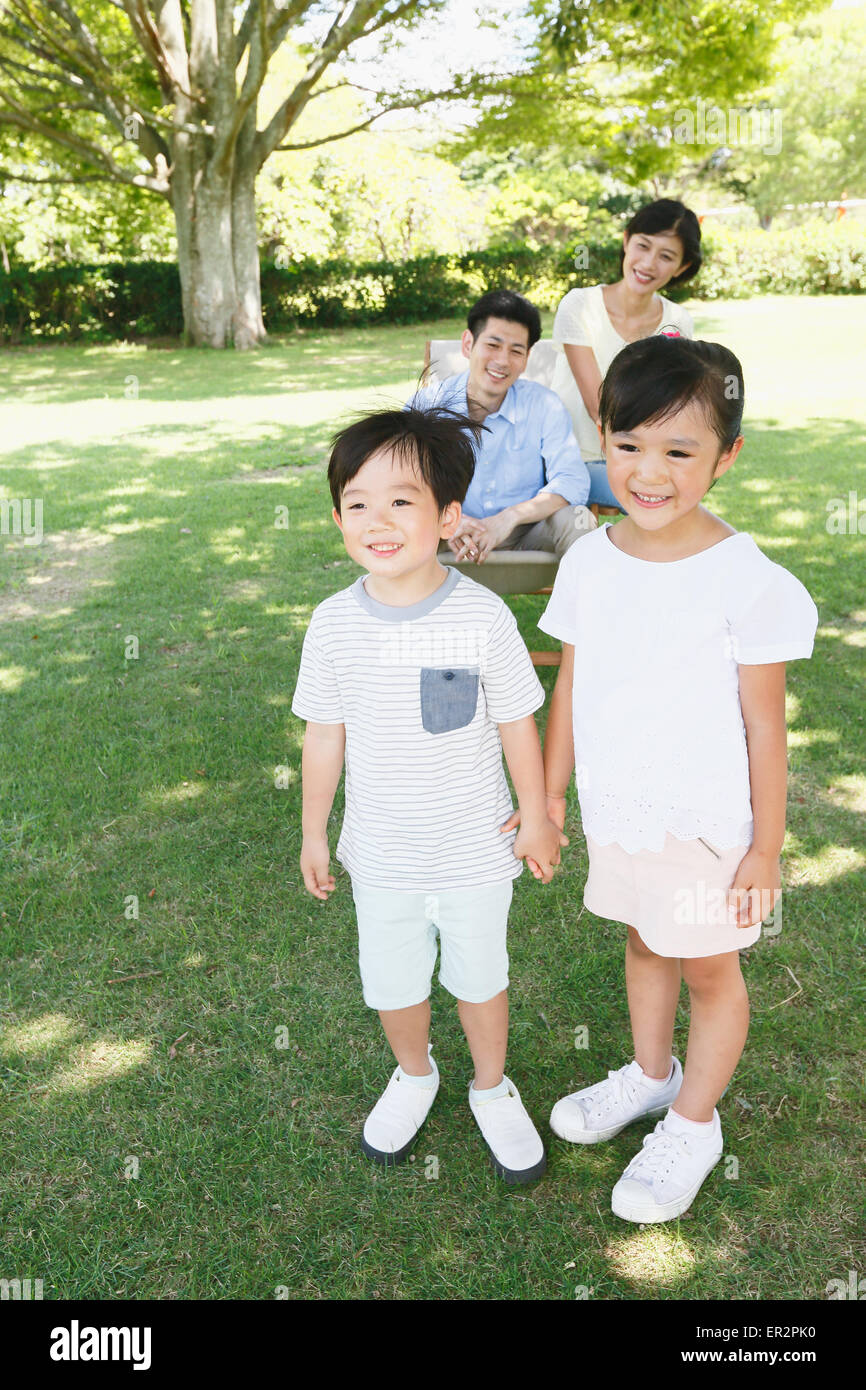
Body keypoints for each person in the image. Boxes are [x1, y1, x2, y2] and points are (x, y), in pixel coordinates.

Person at [535, 336, 818, 1222]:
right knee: (645, 941)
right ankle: (652, 1077)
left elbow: (766, 727)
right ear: (603, 438)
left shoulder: (747, 580)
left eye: (678, 451)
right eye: (627, 445)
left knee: (707, 969)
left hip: (701, 827)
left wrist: (765, 849)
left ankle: (695, 1124)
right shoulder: (587, 560)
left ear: (726, 457)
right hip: (618, 810)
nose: (648, 472)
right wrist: (547, 797)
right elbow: (572, 683)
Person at [291, 406, 567, 1184]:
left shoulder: (481, 616)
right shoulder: (333, 624)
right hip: (381, 853)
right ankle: (415, 1074)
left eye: (401, 501)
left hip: (477, 848)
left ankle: (491, 1084)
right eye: (356, 503)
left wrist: (540, 815)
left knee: (481, 976)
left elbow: (519, 722)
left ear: (448, 517)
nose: (376, 521)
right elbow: (324, 734)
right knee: (394, 981)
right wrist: (316, 833)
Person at [411, 289, 595, 566]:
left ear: (527, 357)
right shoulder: (427, 404)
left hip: (525, 531)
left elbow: (572, 480)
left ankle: (585, 608)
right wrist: (444, 518)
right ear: (467, 343)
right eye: (493, 345)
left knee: (579, 520)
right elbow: (400, 481)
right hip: (446, 533)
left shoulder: (545, 405)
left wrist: (507, 519)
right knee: (406, 521)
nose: (502, 361)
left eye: (516, 351)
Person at [551, 198, 701, 511]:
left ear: (682, 266)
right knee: (677, 501)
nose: (648, 264)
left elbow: (670, 407)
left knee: (693, 488)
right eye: (643, 246)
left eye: (666, 256)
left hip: (638, 465)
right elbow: (600, 408)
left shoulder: (677, 321)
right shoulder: (579, 305)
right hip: (570, 462)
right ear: (626, 240)